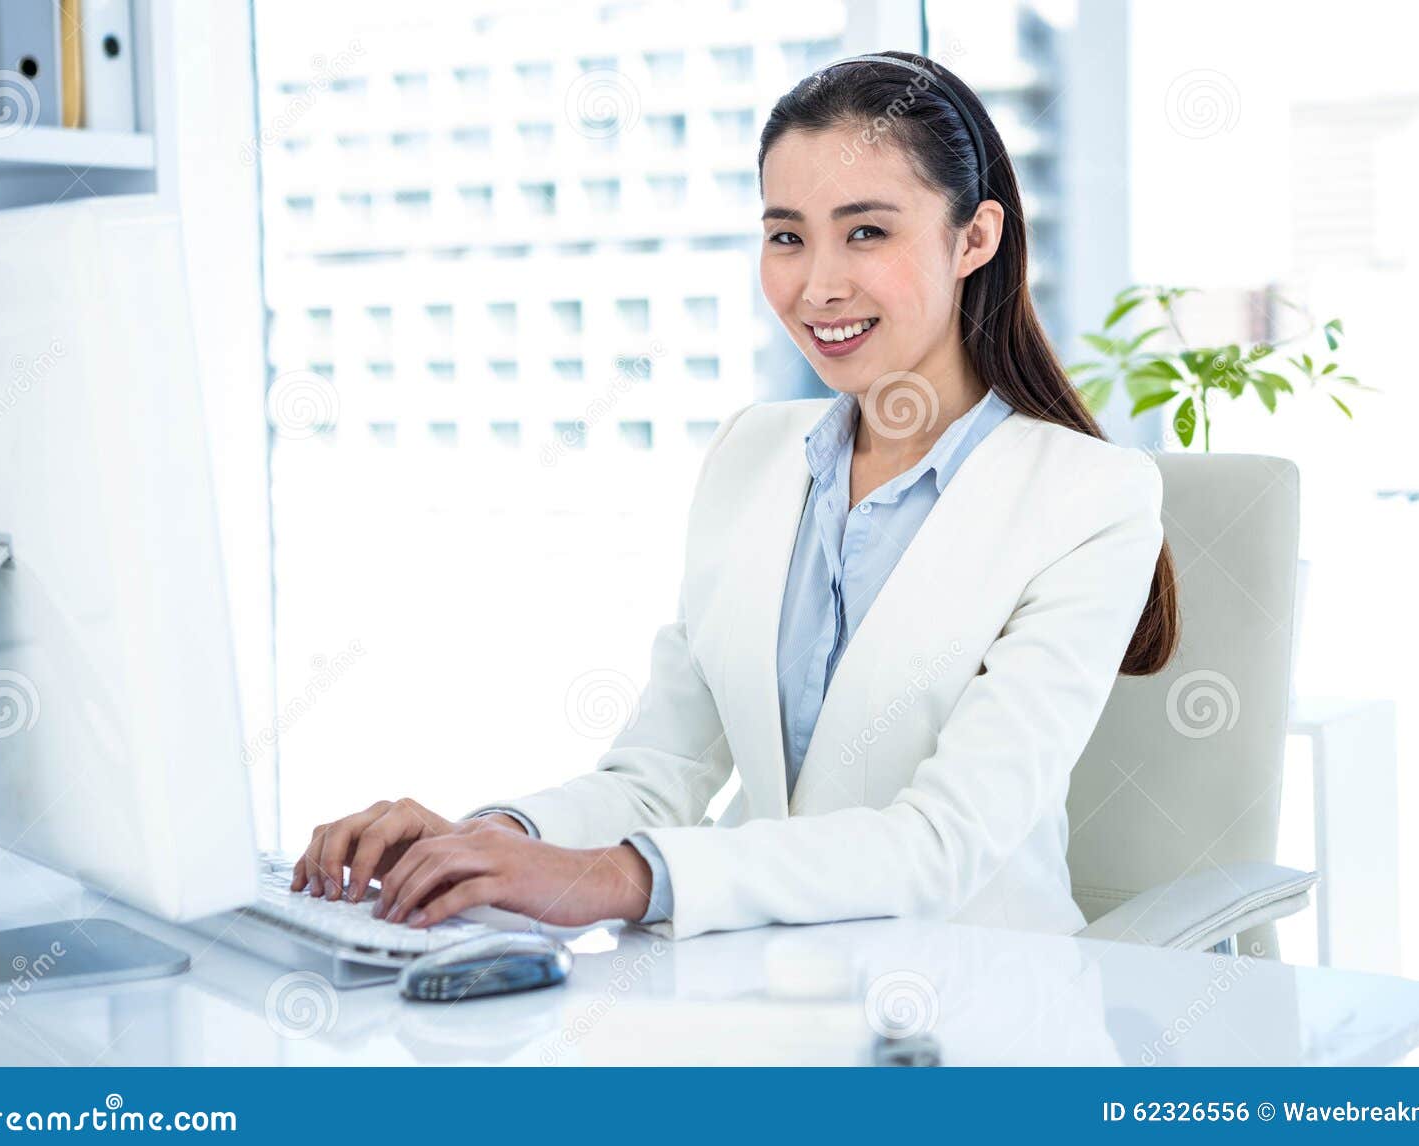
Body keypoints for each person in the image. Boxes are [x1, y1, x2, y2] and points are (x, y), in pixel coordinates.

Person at [292, 51, 1179, 940]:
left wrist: (621, 877)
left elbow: (942, 843)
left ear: (975, 238)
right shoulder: (749, 456)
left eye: (866, 232)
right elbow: (661, 773)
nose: (817, 285)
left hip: (974, 997)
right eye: (787, 237)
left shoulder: (1090, 500)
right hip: (753, 984)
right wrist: (490, 842)